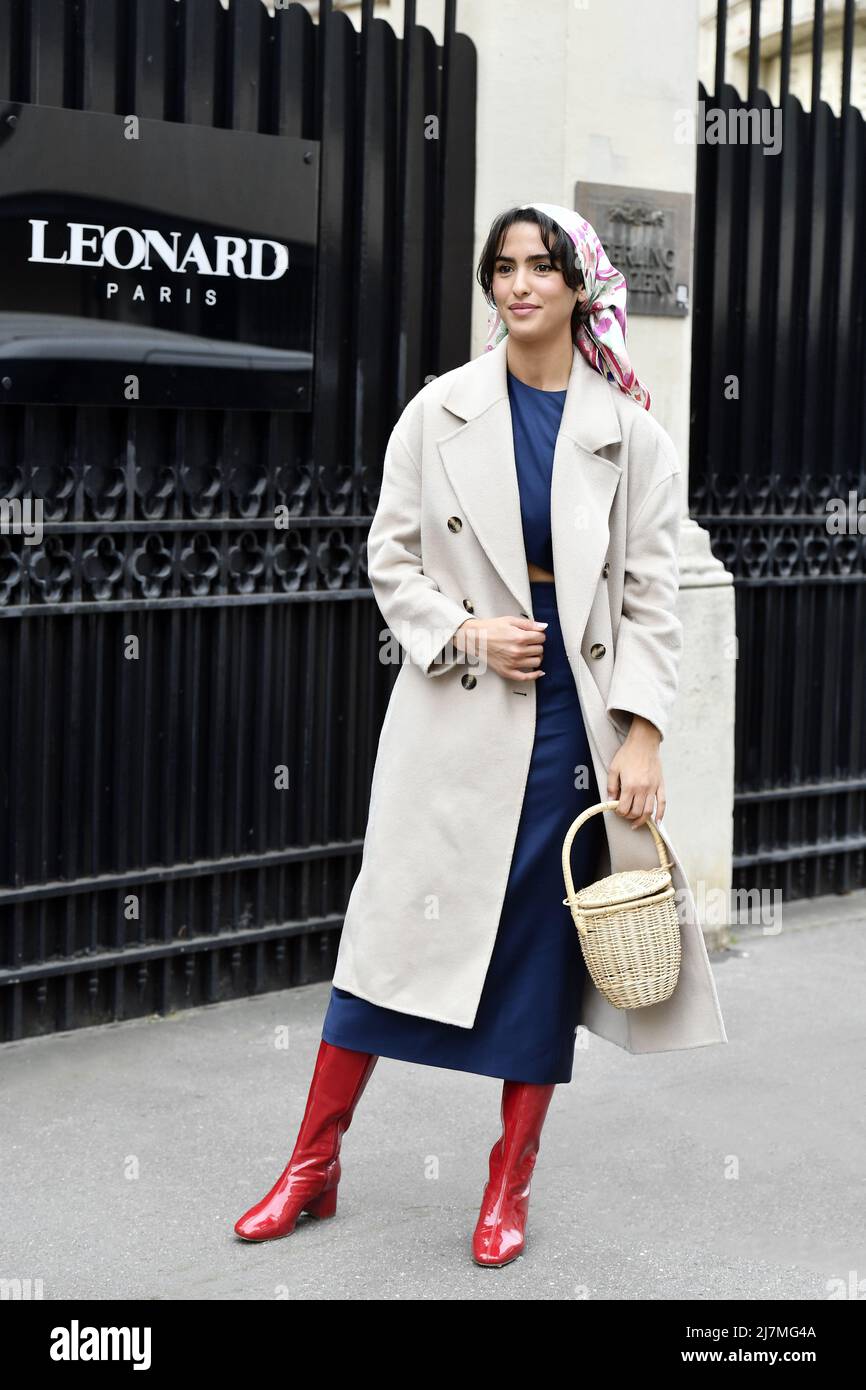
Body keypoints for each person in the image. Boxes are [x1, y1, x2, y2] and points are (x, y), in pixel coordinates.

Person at [233, 202, 706, 1267]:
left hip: (566, 733)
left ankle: (506, 1184)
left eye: (542, 267)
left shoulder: (628, 432)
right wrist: (464, 634)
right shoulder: (437, 410)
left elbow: (650, 598)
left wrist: (641, 735)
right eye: (503, 267)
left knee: (539, 959)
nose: (520, 284)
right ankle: (311, 1166)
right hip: (455, 715)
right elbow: (389, 559)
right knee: (388, 932)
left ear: (580, 285)